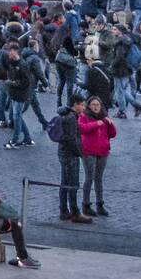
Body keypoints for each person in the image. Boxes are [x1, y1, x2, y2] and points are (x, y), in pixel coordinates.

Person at [51, 95, 92, 223]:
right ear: (75, 105)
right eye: (82, 105)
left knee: (65, 182)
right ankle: (74, 212)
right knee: (73, 184)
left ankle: (64, 210)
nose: (84, 108)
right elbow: (71, 138)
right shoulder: (71, 118)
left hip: (64, 153)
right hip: (70, 154)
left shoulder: (66, 114)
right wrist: (79, 152)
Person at [79, 95, 117, 217]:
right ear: (89, 106)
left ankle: (100, 204)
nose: (96, 107)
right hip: (88, 151)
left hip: (103, 151)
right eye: (93, 105)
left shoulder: (104, 118)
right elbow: (82, 129)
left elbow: (113, 134)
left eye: (98, 105)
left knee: (99, 178)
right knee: (89, 178)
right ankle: (86, 204)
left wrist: (110, 124)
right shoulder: (83, 116)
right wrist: (97, 124)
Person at [2, 45, 35, 149]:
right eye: (8, 52)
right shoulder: (11, 63)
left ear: (16, 52)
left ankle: (15, 140)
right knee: (18, 116)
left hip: (21, 95)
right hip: (14, 94)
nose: (9, 54)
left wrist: (12, 83)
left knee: (16, 117)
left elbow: (26, 82)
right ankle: (27, 138)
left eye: (11, 52)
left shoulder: (22, 65)